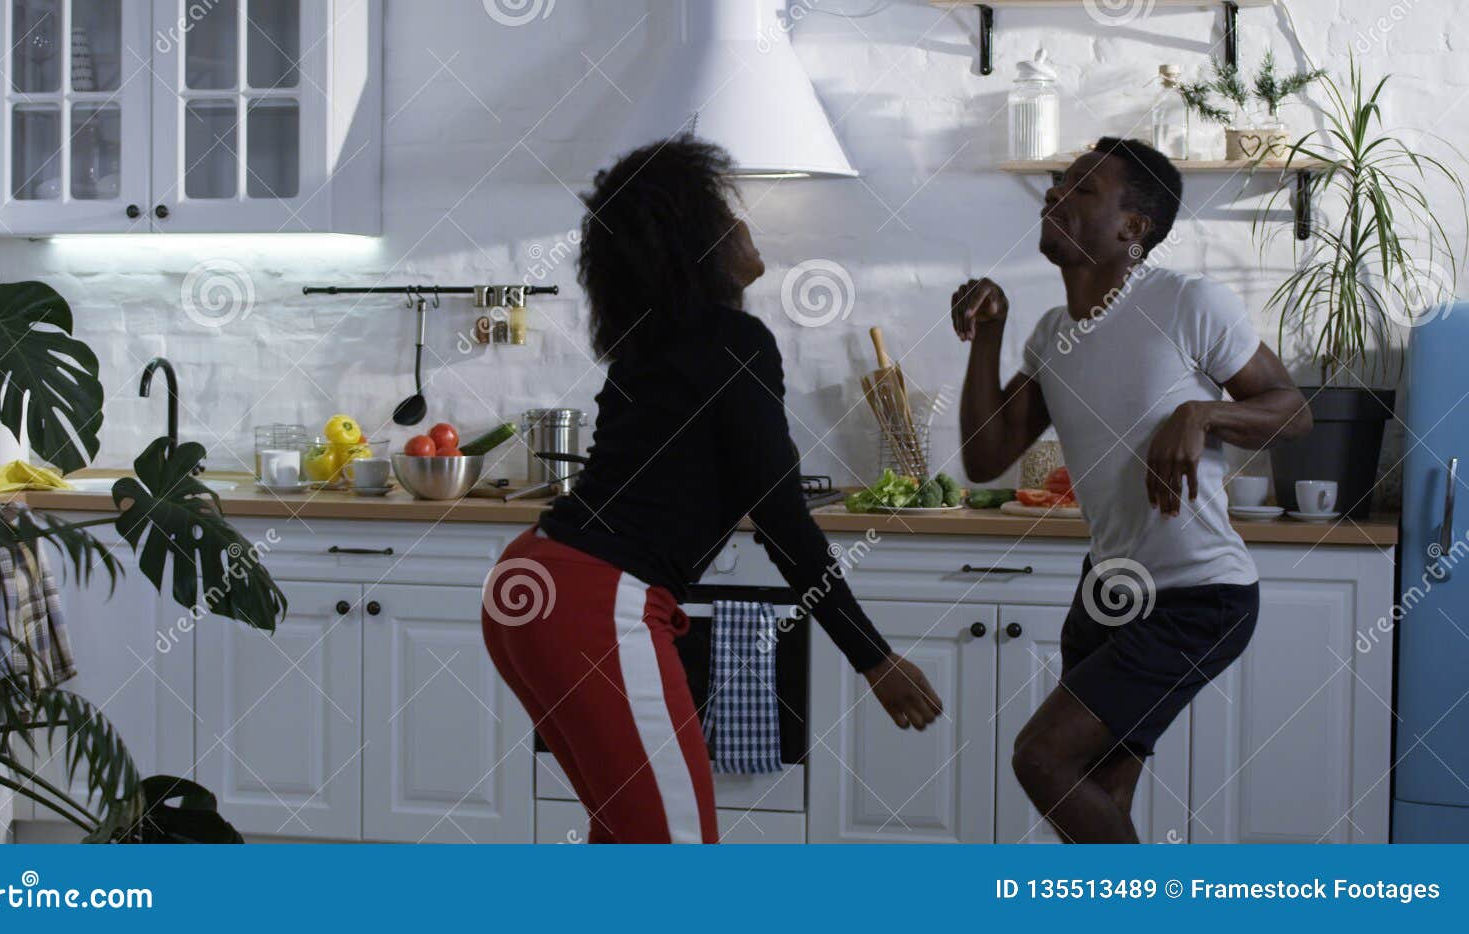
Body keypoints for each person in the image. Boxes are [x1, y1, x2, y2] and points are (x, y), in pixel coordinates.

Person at [482, 136, 943, 844]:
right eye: (725, 214)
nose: (744, 226)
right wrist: (874, 658)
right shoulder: (735, 340)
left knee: (628, 837)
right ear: (698, 243)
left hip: (532, 583)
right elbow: (784, 518)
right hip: (594, 602)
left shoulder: (650, 345)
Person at [951, 137, 1312, 843]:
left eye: (1081, 190)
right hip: (1108, 592)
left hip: (1198, 598)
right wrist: (988, 337)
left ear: (1132, 227)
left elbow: (1293, 410)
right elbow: (986, 457)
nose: (1055, 195)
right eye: (1058, 185)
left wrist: (1202, 413)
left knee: (1042, 758)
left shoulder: (1187, 302)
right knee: (1098, 794)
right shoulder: (1054, 335)